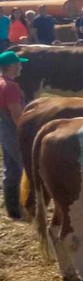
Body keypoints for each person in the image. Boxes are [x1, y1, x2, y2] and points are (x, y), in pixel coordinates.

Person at [0, 51, 28, 219]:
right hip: (13, 129)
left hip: (3, 128)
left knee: (10, 169)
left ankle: (13, 209)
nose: (21, 67)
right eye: (19, 64)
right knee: (26, 167)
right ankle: (27, 205)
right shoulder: (10, 86)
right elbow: (17, 115)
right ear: (11, 66)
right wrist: (27, 133)